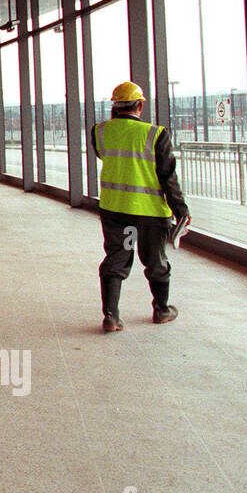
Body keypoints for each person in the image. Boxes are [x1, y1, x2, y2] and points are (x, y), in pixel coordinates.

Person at [90, 81, 191, 333]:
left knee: (117, 259)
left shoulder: (100, 131)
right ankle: (161, 310)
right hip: (150, 214)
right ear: (140, 105)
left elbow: (107, 157)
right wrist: (181, 210)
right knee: (155, 261)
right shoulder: (157, 134)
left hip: (116, 212)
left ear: (114, 107)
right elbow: (168, 177)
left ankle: (111, 317)